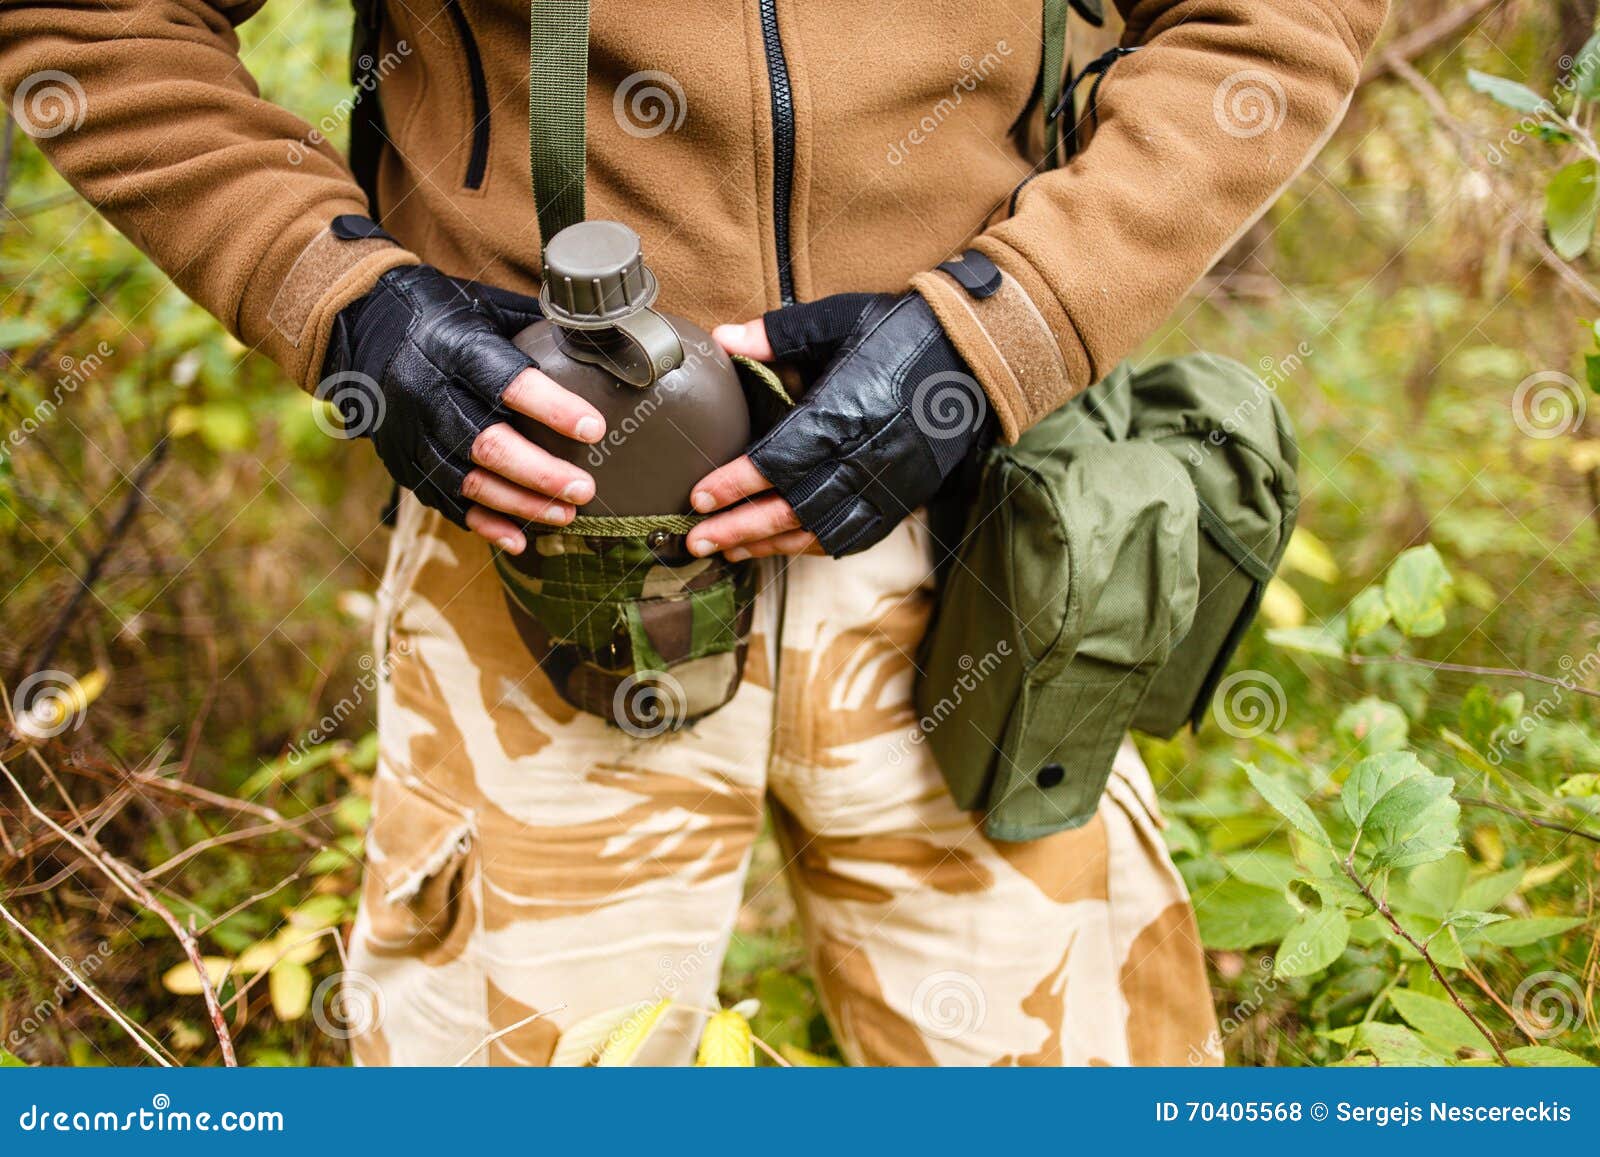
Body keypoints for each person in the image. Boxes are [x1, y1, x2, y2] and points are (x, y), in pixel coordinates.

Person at [0, 0, 1388, 1065]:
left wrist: (1012, 322)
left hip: (985, 544)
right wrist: (345, 298)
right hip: (542, 548)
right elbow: (93, 26)